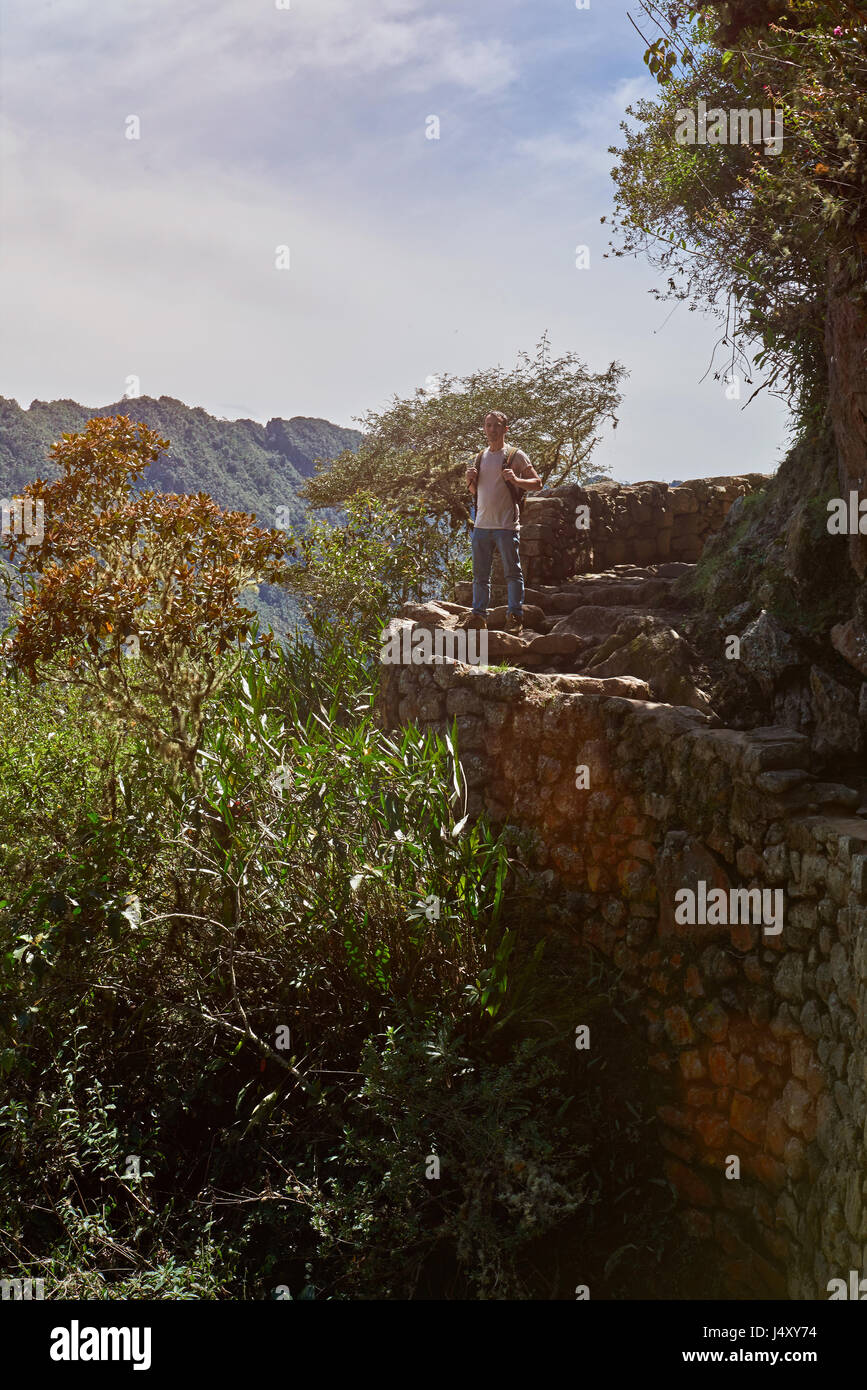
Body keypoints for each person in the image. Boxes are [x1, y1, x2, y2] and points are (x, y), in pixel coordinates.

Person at [459, 410, 541, 634]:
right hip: (482, 525)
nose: (492, 429)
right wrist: (469, 481)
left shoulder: (516, 455)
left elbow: (538, 483)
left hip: (506, 525)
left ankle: (515, 616)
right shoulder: (479, 457)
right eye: (488, 425)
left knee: (512, 573)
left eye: (496, 425)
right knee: (480, 575)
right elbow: (477, 493)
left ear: (505, 429)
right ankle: (478, 616)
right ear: (484, 429)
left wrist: (516, 479)